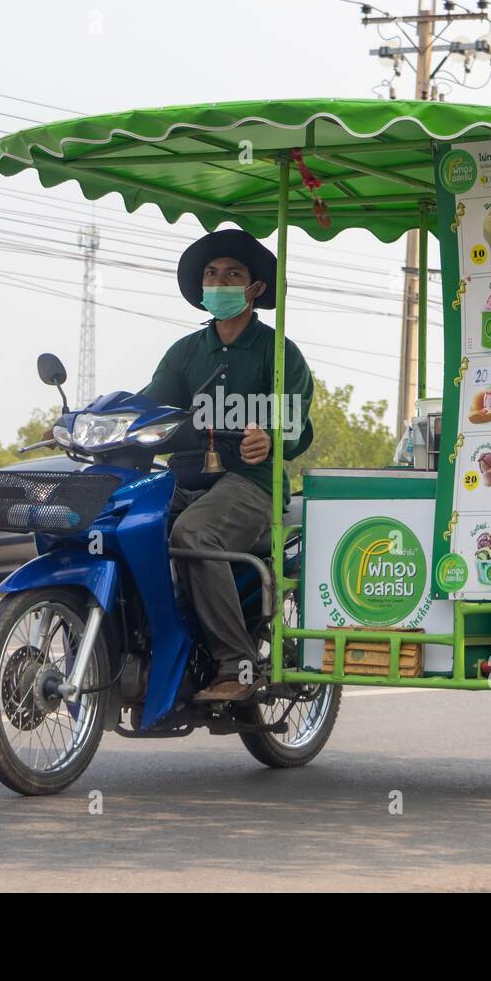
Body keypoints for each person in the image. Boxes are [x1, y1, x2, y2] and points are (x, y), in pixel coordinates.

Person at [140, 229, 314, 703]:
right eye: (212, 274)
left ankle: (235, 665)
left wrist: (271, 438)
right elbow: (149, 410)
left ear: (255, 289)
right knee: (125, 526)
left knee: (193, 535)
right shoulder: (185, 353)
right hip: (185, 478)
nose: (220, 282)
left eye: (232, 274)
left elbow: (298, 423)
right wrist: (92, 423)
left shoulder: (278, 353)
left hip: (251, 484)